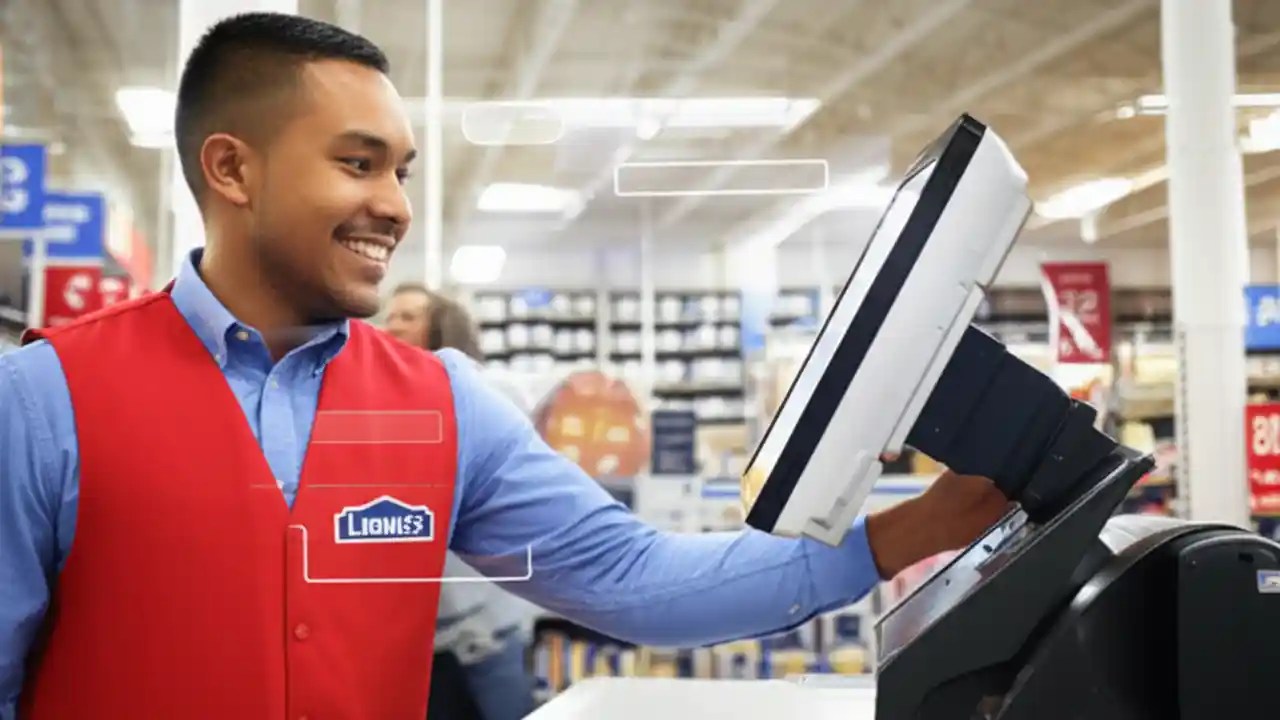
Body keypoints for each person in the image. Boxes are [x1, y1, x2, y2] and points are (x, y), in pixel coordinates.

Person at [0, 13, 1010, 720]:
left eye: (400, 169)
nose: (395, 204)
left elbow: (635, 579)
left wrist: (907, 532)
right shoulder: (47, 397)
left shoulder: (442, 404)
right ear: (231, 169)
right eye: (357, 163)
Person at [385, 284, 538, 720]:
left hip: (490, 624)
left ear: (441, 326)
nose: (392, 325)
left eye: (408, 316)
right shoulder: (384, 400)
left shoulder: (484, 390)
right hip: (426, 635)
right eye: (390, 316)